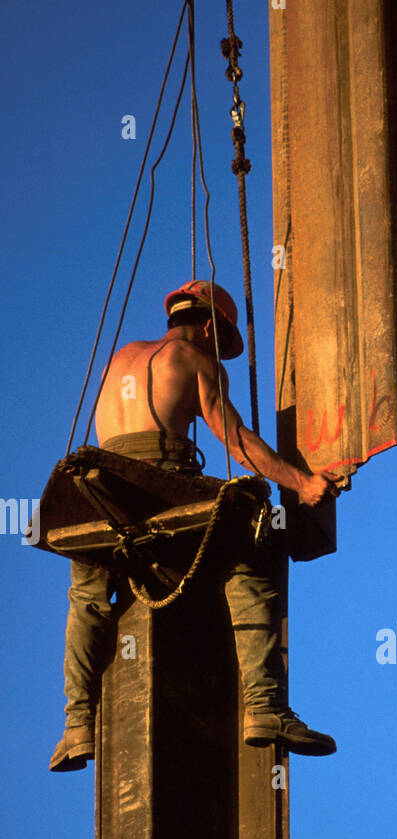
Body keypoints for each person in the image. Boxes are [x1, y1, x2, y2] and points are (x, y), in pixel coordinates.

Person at [50, 279, 337, 772]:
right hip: (157, 485)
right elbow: (238, 441)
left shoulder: (118, 358)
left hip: (96, 492)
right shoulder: (194, 361)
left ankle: (76, 726)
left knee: (88, 595)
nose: (219, 356)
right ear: (208, 327)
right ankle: (265, 709)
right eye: (220, 345)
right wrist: (303, 482)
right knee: (250, 555)